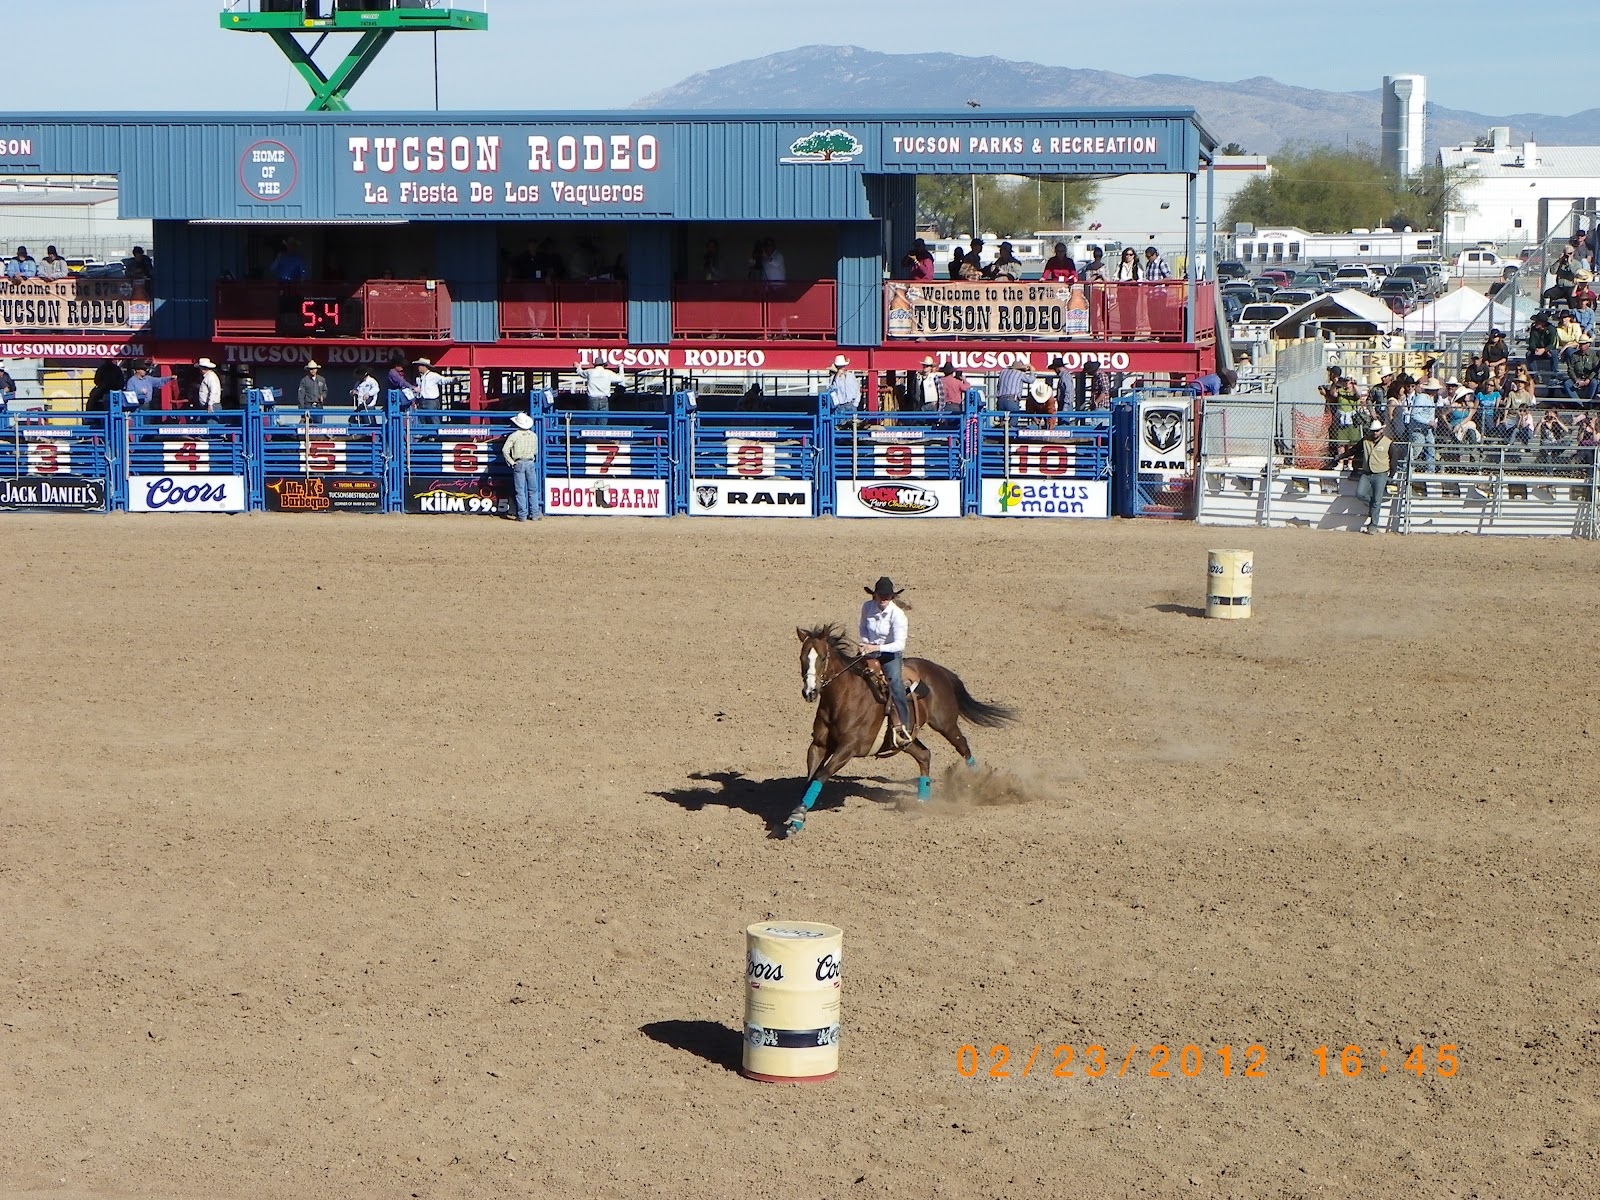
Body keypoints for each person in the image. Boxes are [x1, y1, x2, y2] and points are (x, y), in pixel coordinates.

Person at [859, 576, 912, 747]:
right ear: (874, 595)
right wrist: (865, 643)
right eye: (880, 595)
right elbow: (863, 627)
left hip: (890, 655)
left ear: (892, 597)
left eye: (887, 595)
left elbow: (899, 644)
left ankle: (904, 726)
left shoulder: (898, 615)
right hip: (869, 650)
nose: (883, 598)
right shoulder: (867, 607)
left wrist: (876, 648)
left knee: (895, 683)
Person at [1352, 419, 1393, 534]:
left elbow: (1393, 458)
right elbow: (1354, 450)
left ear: (1381, 430)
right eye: (1373, 431)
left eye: (1377, 431)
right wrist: (1341, 456)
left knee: (1377, 499)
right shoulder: (1365, 441)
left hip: (1381, 474)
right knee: (1360, 494)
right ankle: (1372, 504)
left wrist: (1391, 474)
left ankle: (1373, 525)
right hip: (1367, 473)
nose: (1375, 433)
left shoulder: (1388, 443)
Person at [502, 410, 540, 521]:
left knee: (520, 491)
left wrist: (511, 462)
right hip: (530, 462)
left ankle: (522, 515)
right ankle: (535, 514)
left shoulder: (514, 436)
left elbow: (505, 450)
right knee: (533, 489)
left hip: (519, 463)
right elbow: (536, 451)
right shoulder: (533, 436)